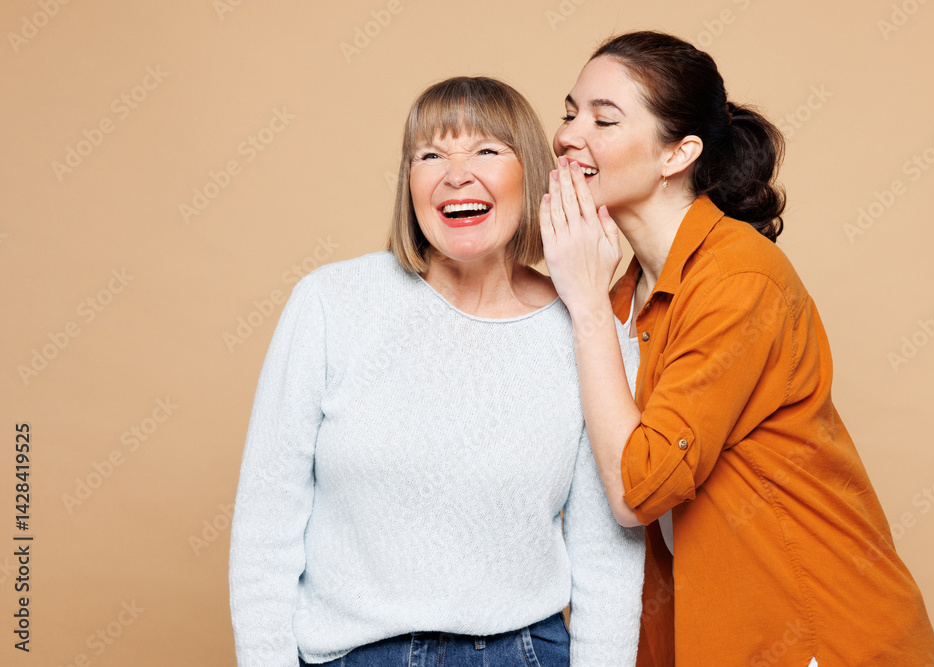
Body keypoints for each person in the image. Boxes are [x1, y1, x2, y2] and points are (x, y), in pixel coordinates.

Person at [539, 30, 934, 666]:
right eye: (569, 113)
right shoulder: (620, 295)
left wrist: (584, 304)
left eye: (603, 118)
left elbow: (638, 489)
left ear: (678, 154)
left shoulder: (738, 279)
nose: (568, 135)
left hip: (819, 640)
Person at [228, 76, 645, 667]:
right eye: (431, 155)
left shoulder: (588, 327)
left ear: (531, 171)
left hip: (524, 653)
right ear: (410, 183)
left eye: (485, 150)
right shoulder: (330, 304)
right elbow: (266, 524)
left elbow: (607, 551)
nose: (456, 174)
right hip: (352, 655)